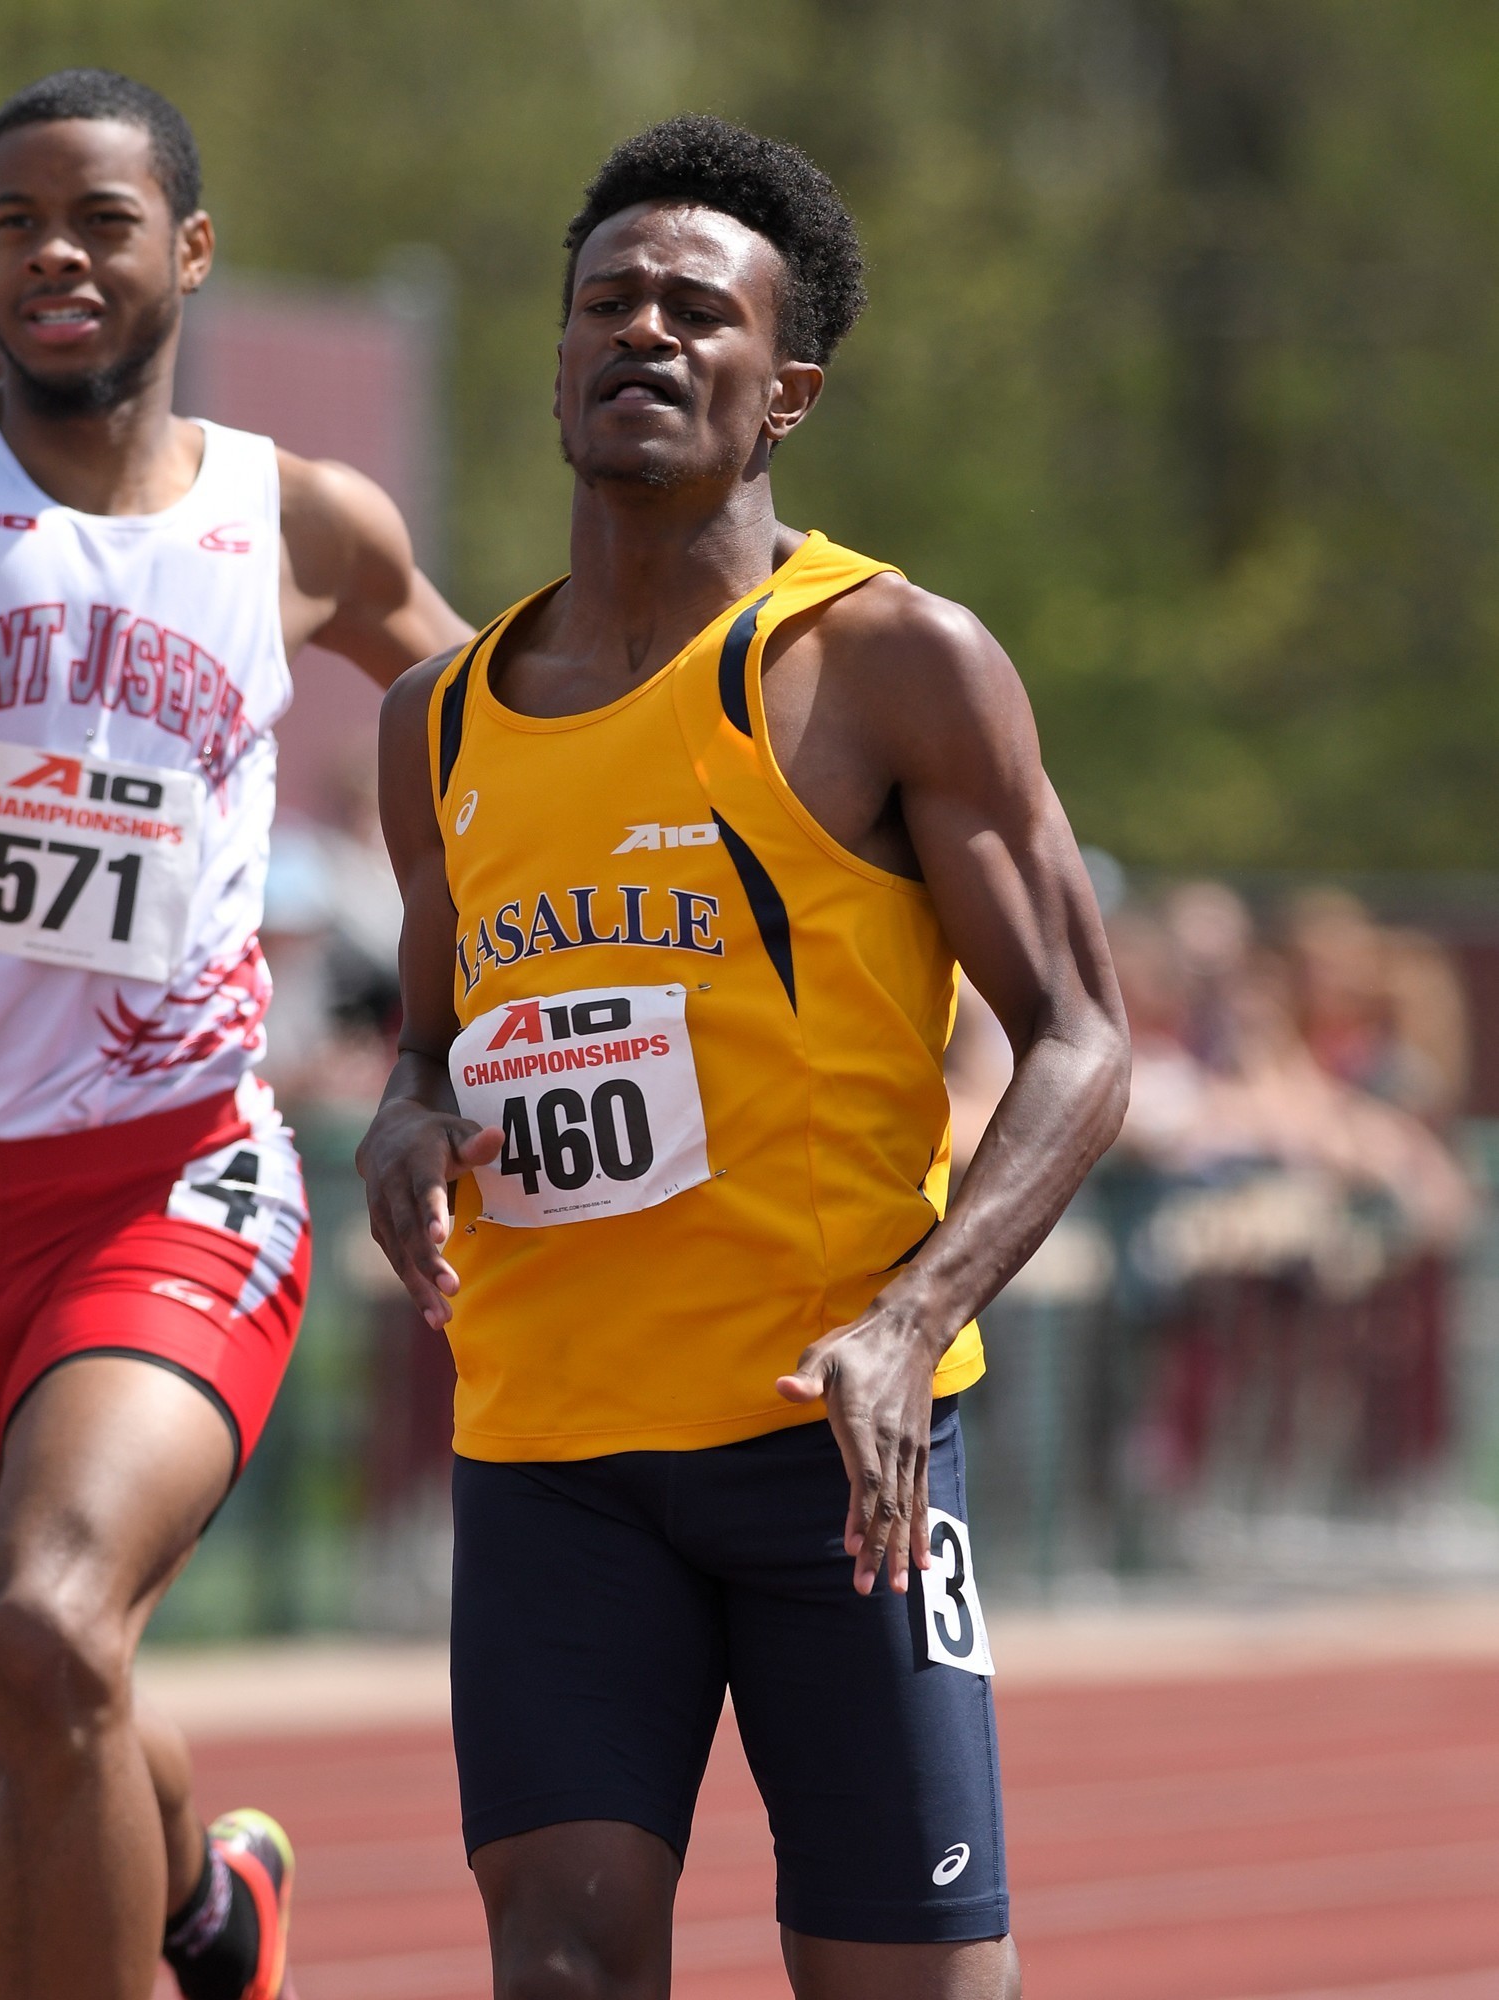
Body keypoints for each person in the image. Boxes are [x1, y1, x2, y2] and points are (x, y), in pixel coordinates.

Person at [359, 115, 1128, 2000]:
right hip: (550, 1451)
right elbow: (436, 1029)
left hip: (832, 1449)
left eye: (695, 313)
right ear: (555, 364)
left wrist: (908, 1315)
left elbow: (1084, 1037)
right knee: (560, 1965)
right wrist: (399, 1120)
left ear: (782, 392)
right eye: (604, 304)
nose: (641, 334)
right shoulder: (436, 721)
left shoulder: (886, 661)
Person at [0, 67, 469, 2000]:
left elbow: (476, 719)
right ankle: (210, 1908)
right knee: (42, 1688)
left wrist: (444, 1033)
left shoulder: (298, 521)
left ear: (185, 250)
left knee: (46, 1623)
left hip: (165, 1178)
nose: (51, 256)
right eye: (14, 223)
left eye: (96, 219)